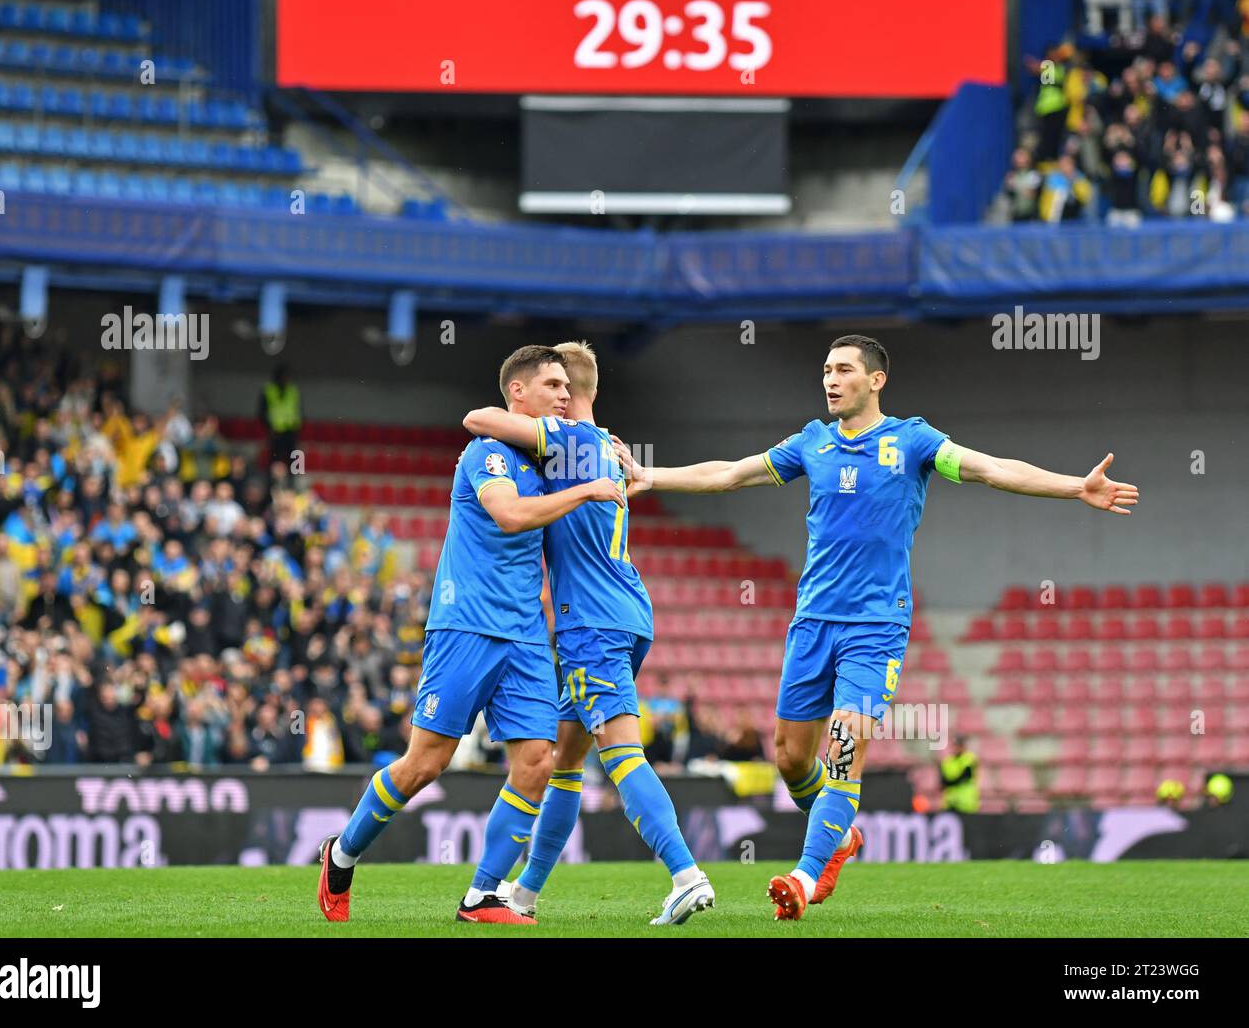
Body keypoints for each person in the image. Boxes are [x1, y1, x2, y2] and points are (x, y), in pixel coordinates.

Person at [618, 333, 1139, 921]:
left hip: (875, 627)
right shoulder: (810, 443)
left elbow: (991, 468)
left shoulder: (913, 441)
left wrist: (1076, 486)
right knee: (791, 758)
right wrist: (652, 477)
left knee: (844, 749)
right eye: (825, 370)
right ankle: (840, 837)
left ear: (876, 379)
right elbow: (733, 474)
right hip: (812, 622)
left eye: (843, 370)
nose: (830, 380)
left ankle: (806, 878)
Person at [316, 346, 624, 926]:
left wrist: (611, 455)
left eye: (567, 386)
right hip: (466, 626)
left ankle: (482, 895)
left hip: (528, 638)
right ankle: (343, 852)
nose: (564, 395)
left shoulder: (552, 460)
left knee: (537, 760)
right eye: (552, 385)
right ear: (519, 394)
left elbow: (594, 452)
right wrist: (587, 490)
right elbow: (509, 515)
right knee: (425, 765)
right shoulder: (486, 454)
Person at [461, 340, 714, 926]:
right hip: (626, 612)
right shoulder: (605, 447)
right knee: (564, 762)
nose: (552, 397)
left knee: (621, 753)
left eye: (556, 386)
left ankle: (684, 873)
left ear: (569, 394)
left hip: (590, 624)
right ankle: (524, 893)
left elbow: (479, 420)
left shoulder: (571, 441)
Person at [259, 364, 301, 470]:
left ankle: (291, 483)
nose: (286, 379)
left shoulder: (293, 390)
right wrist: (269, 428)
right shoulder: (268, 390)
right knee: (274, 461)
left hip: (290, 431)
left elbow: (298, 410)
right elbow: (261, 412)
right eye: (284, 376)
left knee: (293, 461)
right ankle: (273, 483)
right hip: (275, 432)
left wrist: (297, 428)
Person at [939, 736, 980, 813]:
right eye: (955, 745)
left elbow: (965, 776)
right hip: (950, 802)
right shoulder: (947, 762)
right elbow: (942, 782)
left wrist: (950, 782)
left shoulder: (969, 759)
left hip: (966, 803)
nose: (957, 748)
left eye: (959, 745)